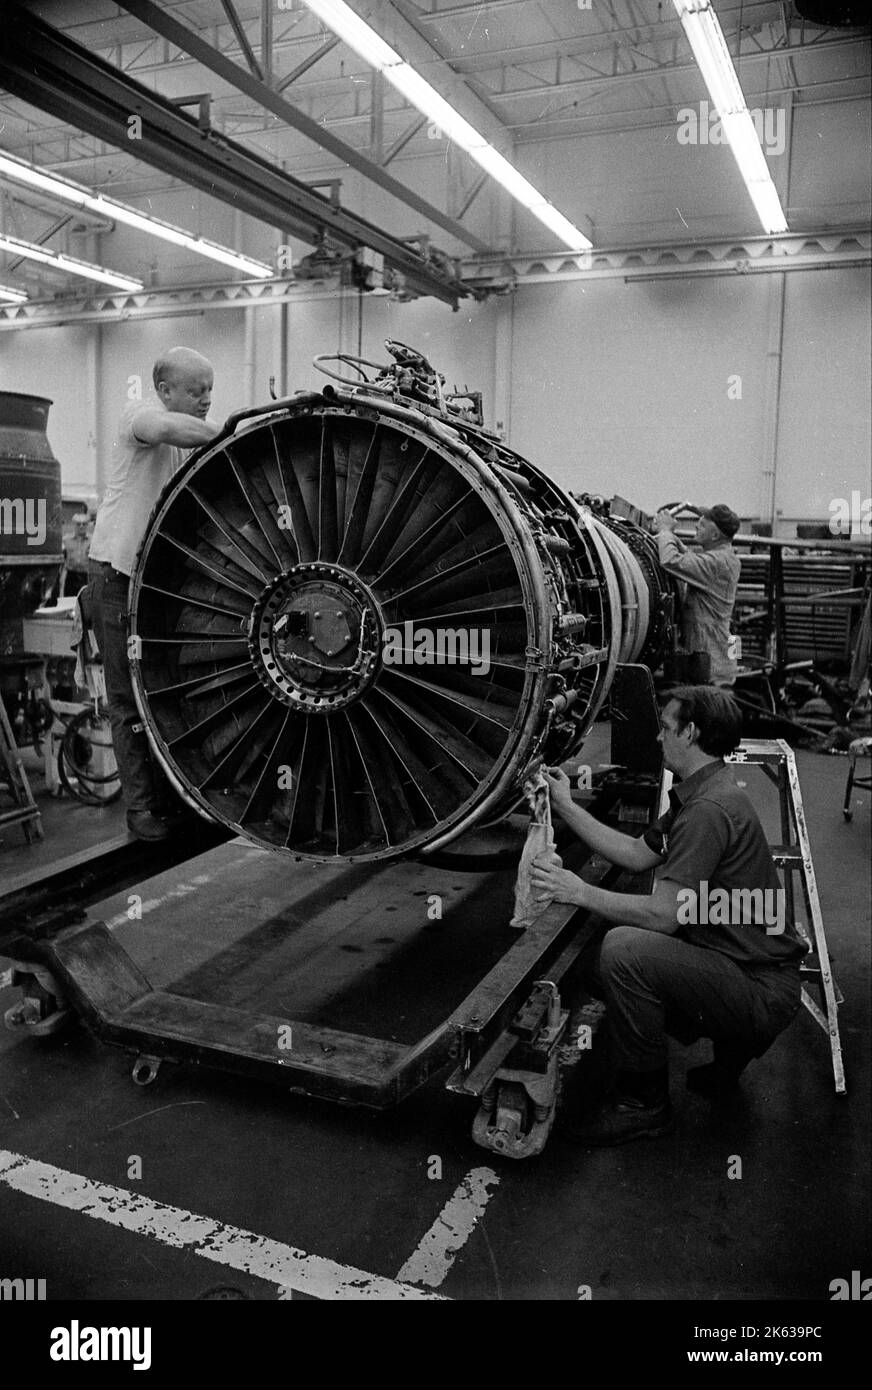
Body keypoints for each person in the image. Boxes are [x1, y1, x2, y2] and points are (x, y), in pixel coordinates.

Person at [531, 685, 806, 1146]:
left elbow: (663, 917)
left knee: (622, 952)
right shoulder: (705, 791)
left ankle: (644, 1103)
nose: (658, 737)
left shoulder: (707, 811)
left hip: (760, 986)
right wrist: (565, 804)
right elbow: (637, 854)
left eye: (665, 727)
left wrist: (578, 891)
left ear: (691, 732)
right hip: (749, 967)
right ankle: (729, 1055)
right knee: (615, 962)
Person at [87, 348, 218, 840]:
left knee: (164, 688)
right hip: (117, 577)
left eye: (209, 390)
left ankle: (173, 800)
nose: (205, 400)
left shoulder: (189, 439)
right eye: (195, 391)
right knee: (127, 698)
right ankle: (141, 810)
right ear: (165, 392)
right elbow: (166, 429)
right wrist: (240, 430)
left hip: (155, 583)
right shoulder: (140, 416)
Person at [655, 504, 741, 685]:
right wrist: (671, 539)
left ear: (715, 535)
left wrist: (665, 531)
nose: (695, 526)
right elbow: (691, 559)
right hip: (714, 659)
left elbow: (671, 560)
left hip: (712, 666)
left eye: (701, 525)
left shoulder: (718, 562)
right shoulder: (724, 557)